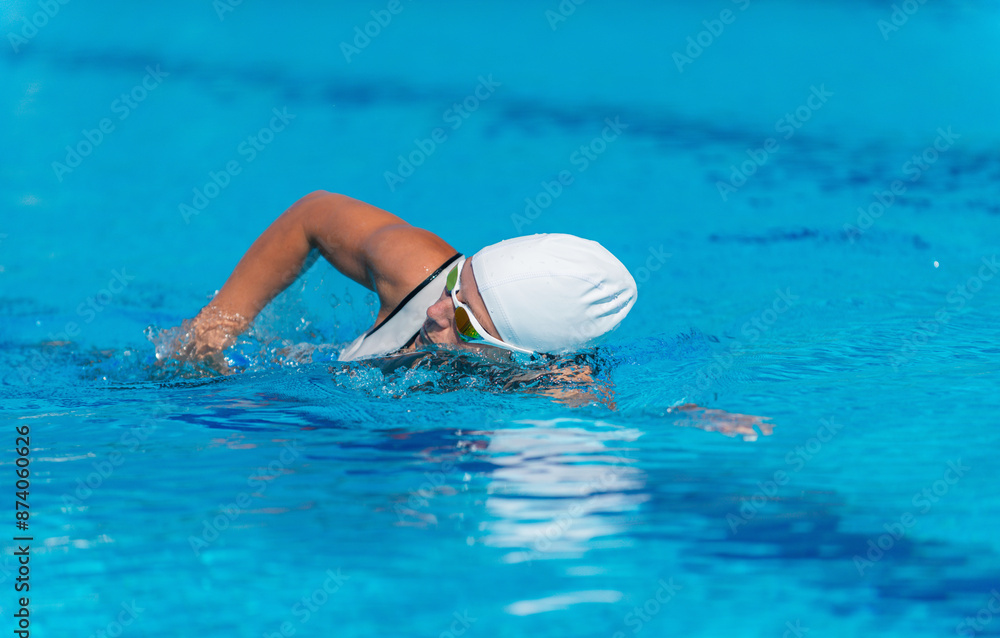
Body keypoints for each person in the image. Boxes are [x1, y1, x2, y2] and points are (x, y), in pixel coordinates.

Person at [166, 191, 773, 437]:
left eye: (461, 319)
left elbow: (610, 424)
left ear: (519, 351)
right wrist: (218, 324)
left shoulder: (549, 381)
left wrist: (685, 416)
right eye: (459, 286)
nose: (434, 310)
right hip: (290, 376)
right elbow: (314, 213)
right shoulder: (419, 268)